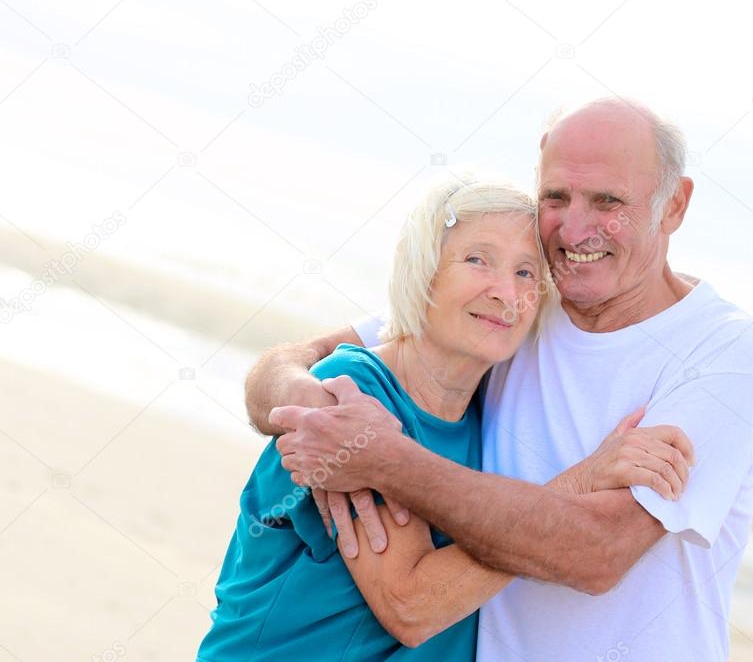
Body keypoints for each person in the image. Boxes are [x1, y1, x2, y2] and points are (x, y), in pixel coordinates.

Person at [256, 97, 753, 661]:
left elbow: (595, 553)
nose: (575, 228)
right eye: (556, 197)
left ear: (673, 205)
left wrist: (382, 459)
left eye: (607, 201)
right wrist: (310, 410)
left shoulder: (721, 348)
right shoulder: (517, 304)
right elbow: (301, 358)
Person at [198, 173, 694, 661]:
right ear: (425, 270)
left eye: (526, 272)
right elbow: (411, 605)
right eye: (479, 260)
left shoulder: (493, 411)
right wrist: (581, 482)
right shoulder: (353, 394)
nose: (506, 292)